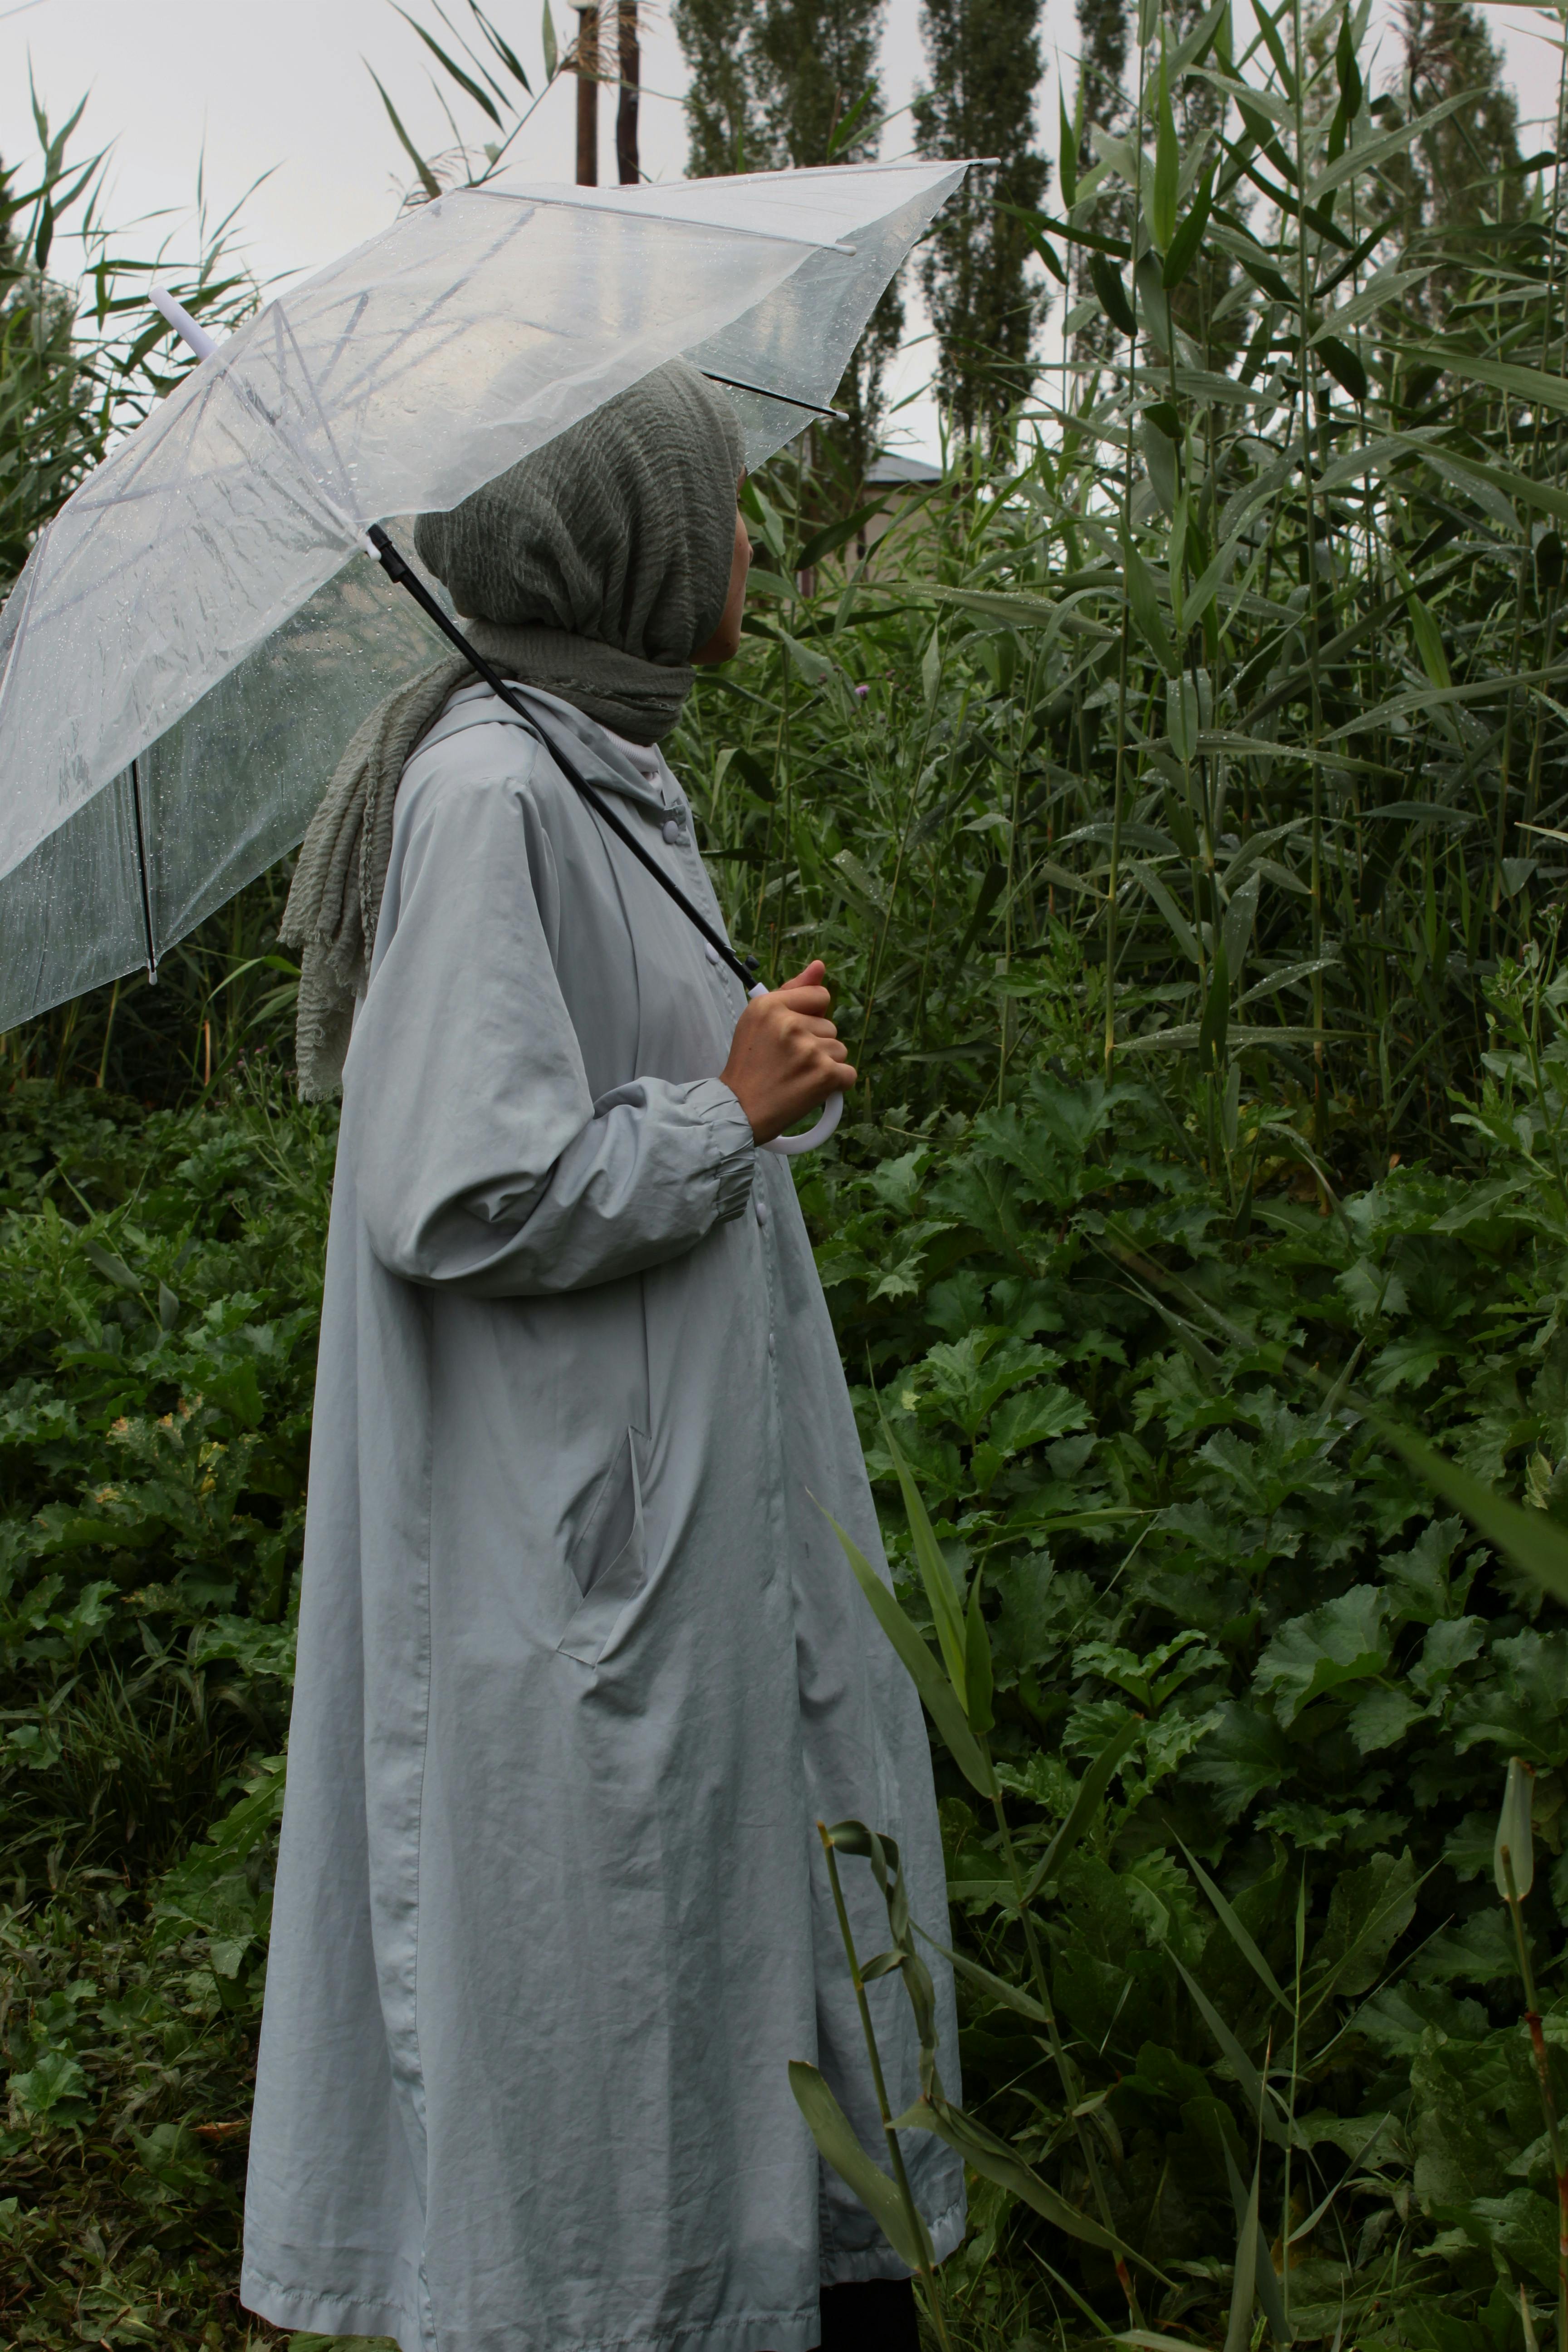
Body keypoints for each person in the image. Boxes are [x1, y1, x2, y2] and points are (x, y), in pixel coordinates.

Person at [244, 360, 962, 2352]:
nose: (745, 548)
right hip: (568, 1522)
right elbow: (456, 1191)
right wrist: (720, 1111)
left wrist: (743, 1074)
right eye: (715, 513)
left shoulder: (599, 760)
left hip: (668, 1473)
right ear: (619, 543)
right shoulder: (492, 789)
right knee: (598, 1959)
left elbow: (611, 1092)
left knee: (720, 1932)